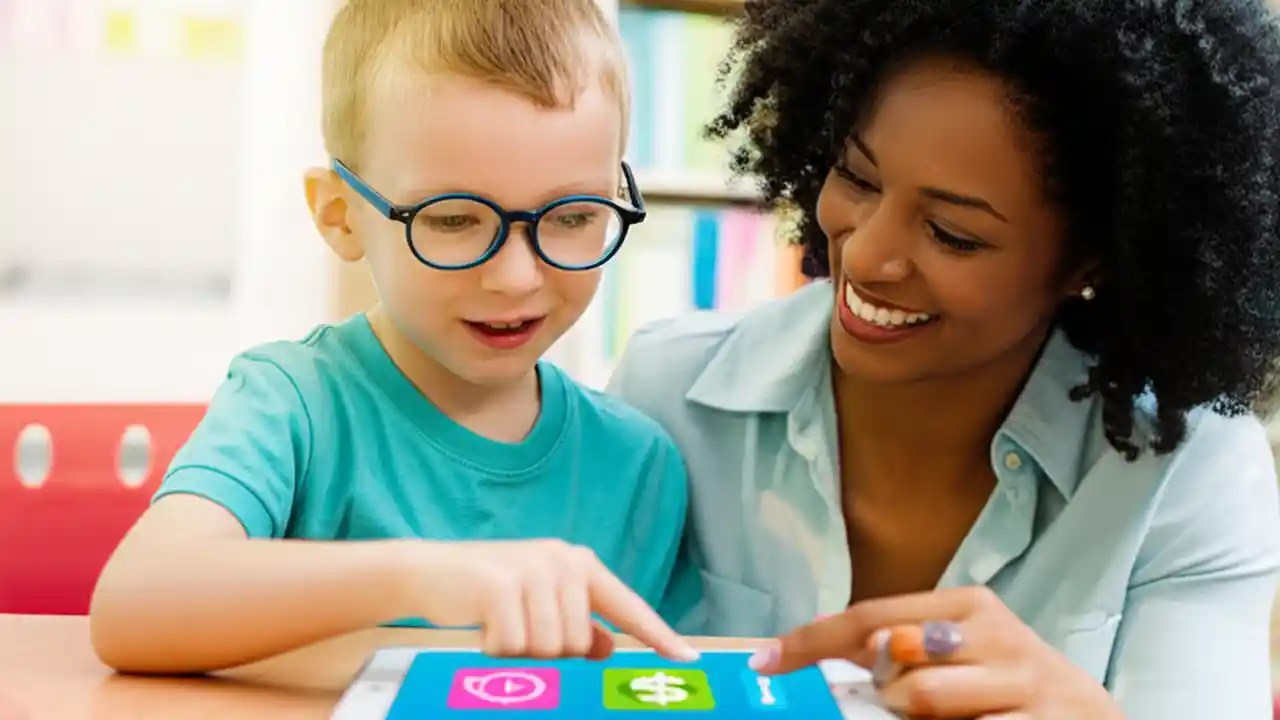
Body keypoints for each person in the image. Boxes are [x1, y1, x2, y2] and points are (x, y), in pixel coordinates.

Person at [609, 0, 1280, 716]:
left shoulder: (1189, 473)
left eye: (952, 233)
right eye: (858, 180)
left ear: (1093, 259)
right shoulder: (668, 393)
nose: (863, 255)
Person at [89, 0, 699, 674]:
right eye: (453, 220)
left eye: (574, 215)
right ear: (341, 216)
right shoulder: (291, 403)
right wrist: (422, 577)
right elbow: (132, 607)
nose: (517, 276)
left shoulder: (641, 465)